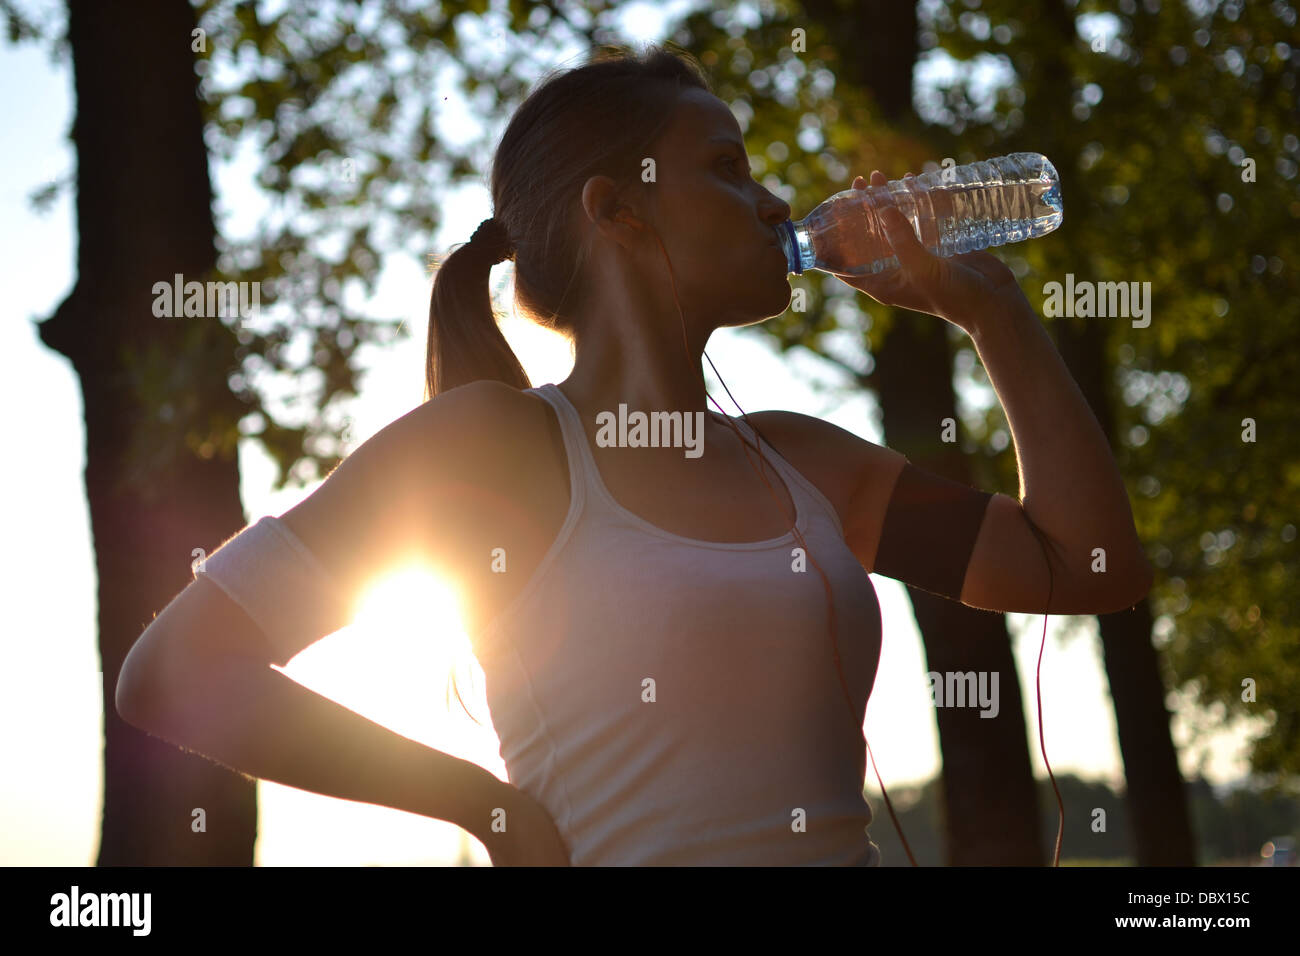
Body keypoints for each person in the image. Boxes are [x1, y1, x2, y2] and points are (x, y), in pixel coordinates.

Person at [115, 43, 1154, 866]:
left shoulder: (805, 462)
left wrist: (993, 312)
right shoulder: (494, 444)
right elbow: (176, 671)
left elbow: (1087, 566)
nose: (777, 204)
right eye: (727, 169)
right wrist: (488, 806)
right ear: (614, 208)